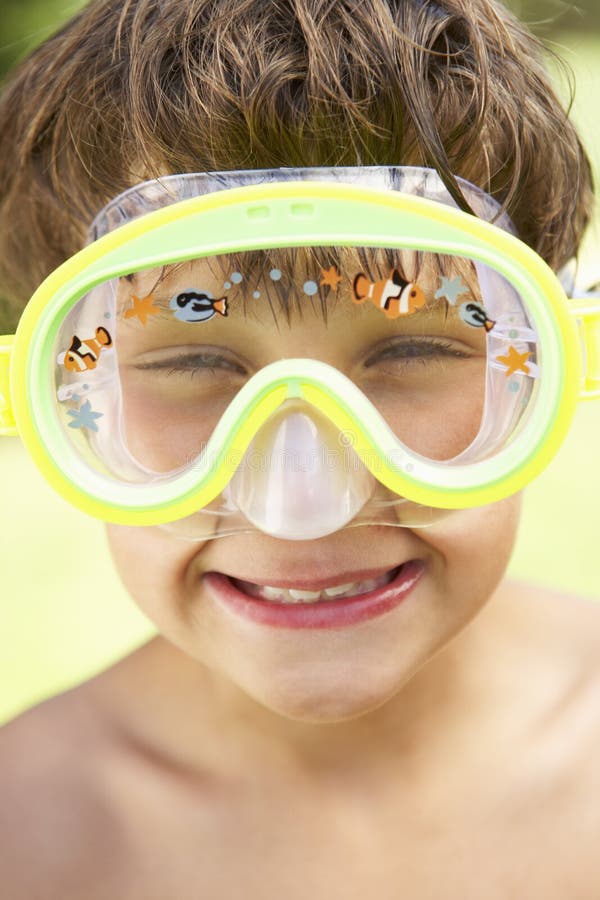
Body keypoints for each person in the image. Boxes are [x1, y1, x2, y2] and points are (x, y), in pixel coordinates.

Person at [0, 0, 599, 897]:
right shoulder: (31, 835)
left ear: (552, 365)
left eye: (413, 348)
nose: (305, 503)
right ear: (49, 392)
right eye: (193, 361)